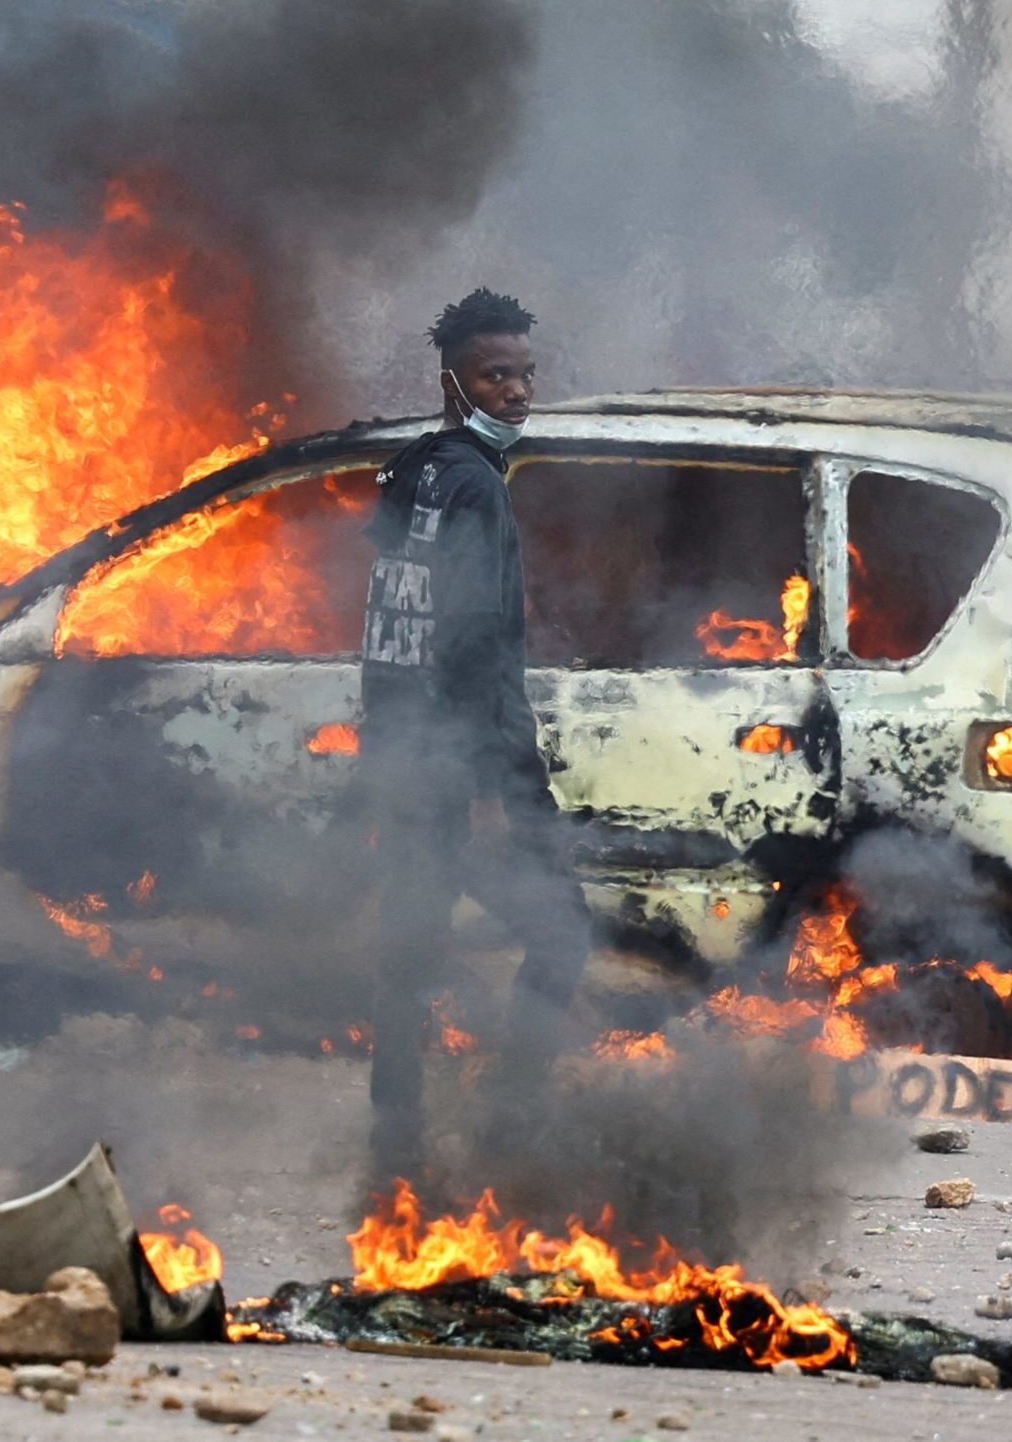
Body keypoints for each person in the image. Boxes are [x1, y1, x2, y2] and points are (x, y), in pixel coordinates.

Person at [358, 288, 591, 1186]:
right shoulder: (477, 488)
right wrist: (491, 791)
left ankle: (397, 1129)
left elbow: (386, 622)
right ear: (454, 382)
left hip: (406, 756)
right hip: (465, 765)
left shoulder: (410, 472)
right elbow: (472, 644)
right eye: (497, 376)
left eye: (527, 375)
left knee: (410, 943)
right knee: (562, 934)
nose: (518, 394)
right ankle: (512, 1119)